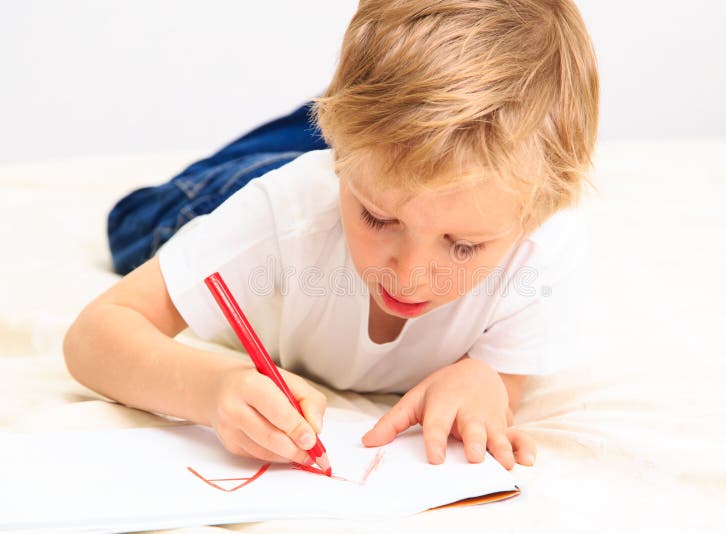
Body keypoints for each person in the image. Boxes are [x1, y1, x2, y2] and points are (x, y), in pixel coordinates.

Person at [64, 0, 599, 472]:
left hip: (357, 159)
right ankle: (326, 119)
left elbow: (505, 377)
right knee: (136, 226)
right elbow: (94, 337)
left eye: (462, 245)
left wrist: (487, 382)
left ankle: (341, 125)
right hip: (247, 188)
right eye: (377, 218)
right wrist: (210, 387)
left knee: (372, 147)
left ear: (536, 214)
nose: (409, 274)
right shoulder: (280, 215)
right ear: (342, 164)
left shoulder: (541, 245)